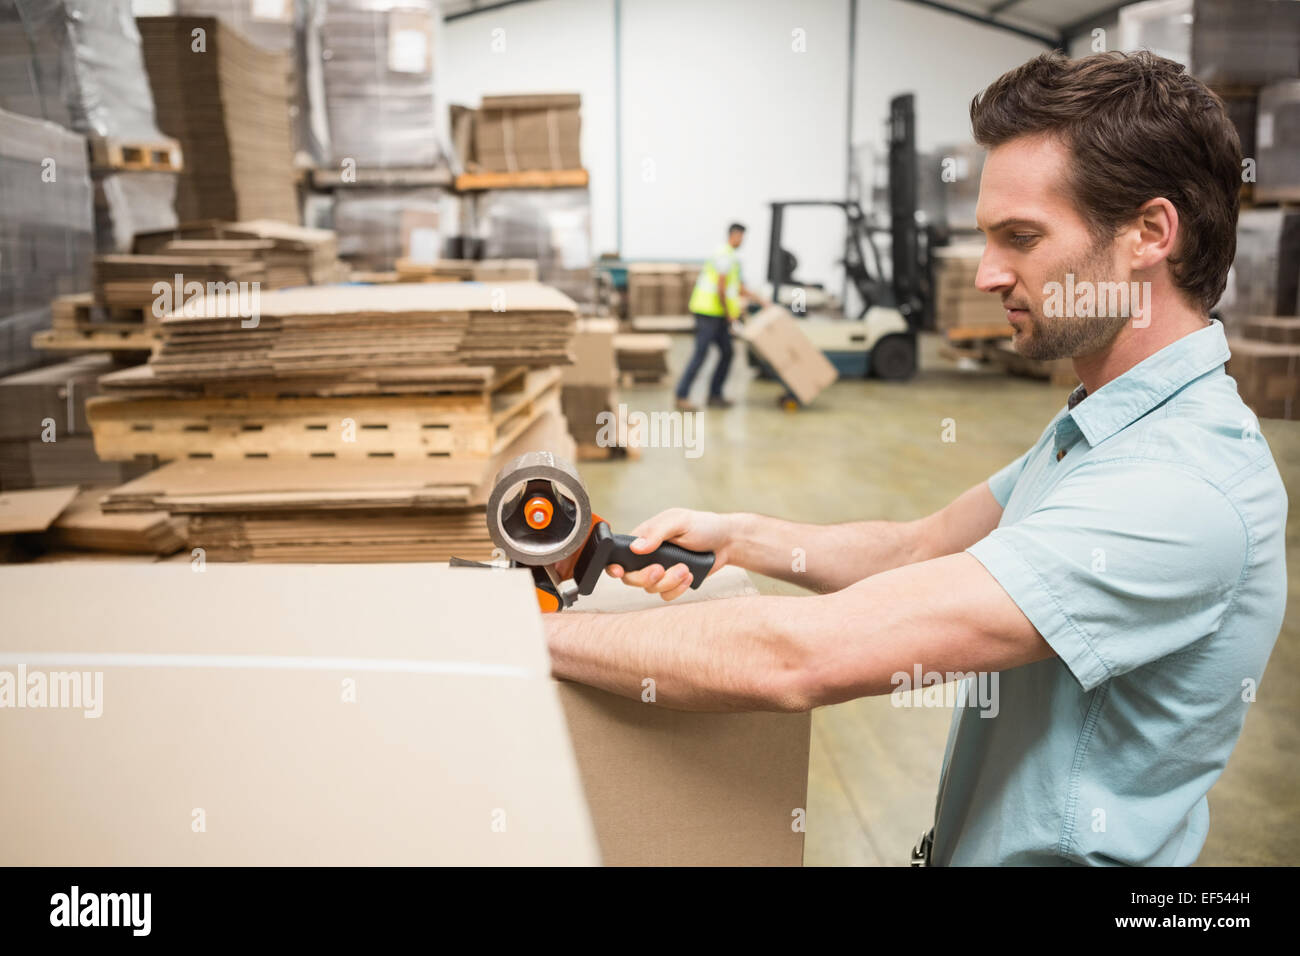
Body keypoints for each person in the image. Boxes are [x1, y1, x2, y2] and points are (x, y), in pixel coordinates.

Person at [546, 51, 1289, 866]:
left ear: (1150, 234)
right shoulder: (1108, 425)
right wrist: (740, 536)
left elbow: (801, 658)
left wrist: (525, 639)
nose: (985, 274)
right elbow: (921, 547)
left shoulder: (1178, 485)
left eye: (1022, 238)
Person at [675, 222, 765, 410]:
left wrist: (762, 301)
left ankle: (715, 395)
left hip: (718, 314)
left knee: (727, 352)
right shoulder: (724, 255)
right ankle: (681, 395)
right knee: (701, 354)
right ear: (734, 235)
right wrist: (730, 315)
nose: (742, 241)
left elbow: (737, 287)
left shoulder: (731, 258)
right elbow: (721, 288)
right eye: (741, 237)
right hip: (708, 312)